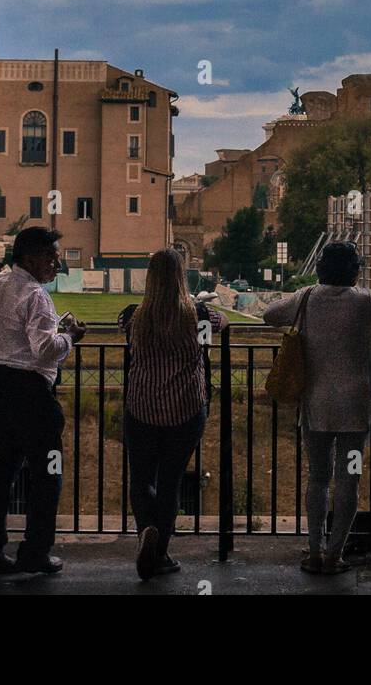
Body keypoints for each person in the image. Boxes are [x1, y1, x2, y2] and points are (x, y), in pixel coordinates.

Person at [263, 241, 371, 575]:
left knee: (317, 478)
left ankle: (314, 550)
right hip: (356, 413)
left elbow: (270, 315)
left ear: (319, 268)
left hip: (315, 408)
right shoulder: (366, 302)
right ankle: (335, 553)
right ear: (355, 270)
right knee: (350, 480)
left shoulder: (306, 297)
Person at [0, 226, 86, 576]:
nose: (57, 264)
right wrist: (70, 336)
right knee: (47, 474)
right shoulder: (36, 295)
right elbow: (47, 351)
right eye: (51, 256)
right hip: (31, 396)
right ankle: (35, 552)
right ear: (30, 257)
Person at [118, 248, 223, 580]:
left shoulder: (133, 316)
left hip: (142, 407)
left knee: (141, 479)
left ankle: (145, 531)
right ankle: (160, 551)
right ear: (182, 276)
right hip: (185, 409)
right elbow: (223, 321)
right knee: (170, 481)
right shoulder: (198, 315)